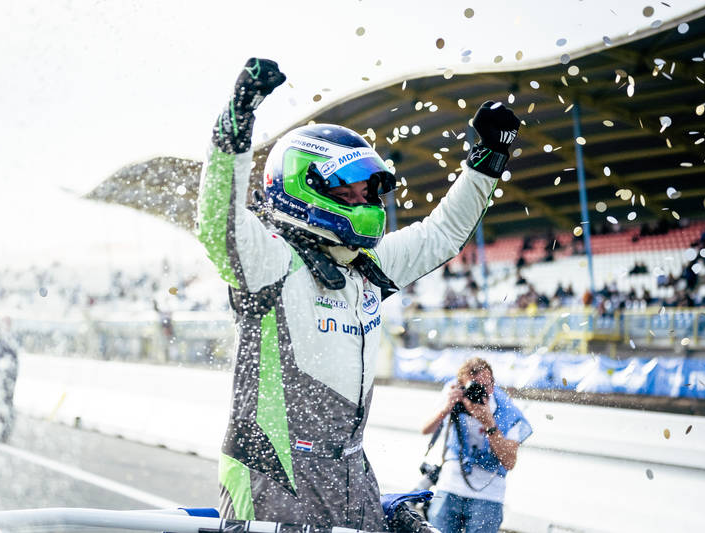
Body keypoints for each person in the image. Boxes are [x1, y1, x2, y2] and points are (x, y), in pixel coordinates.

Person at [196, 58, 520, 530]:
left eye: (371, 191)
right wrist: (236, 119)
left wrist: (488, 160)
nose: (368, 201)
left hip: (352, 474)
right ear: (304, 184)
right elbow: (215, 220)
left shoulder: (366, 268)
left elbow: (443, 234)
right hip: (273, 477)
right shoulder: (269, 260)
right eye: (353, 191)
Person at [421, 358, 532, 533]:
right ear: (461, 386)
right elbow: (426, 429)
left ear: (493, 385)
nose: (480, 392)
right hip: (450, 485)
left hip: (489, 494)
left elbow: (509, 462)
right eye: (473, 386)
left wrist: (489, 423)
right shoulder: (454, 395)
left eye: (485, 386)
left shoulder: (507, 412)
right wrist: (446, 408)